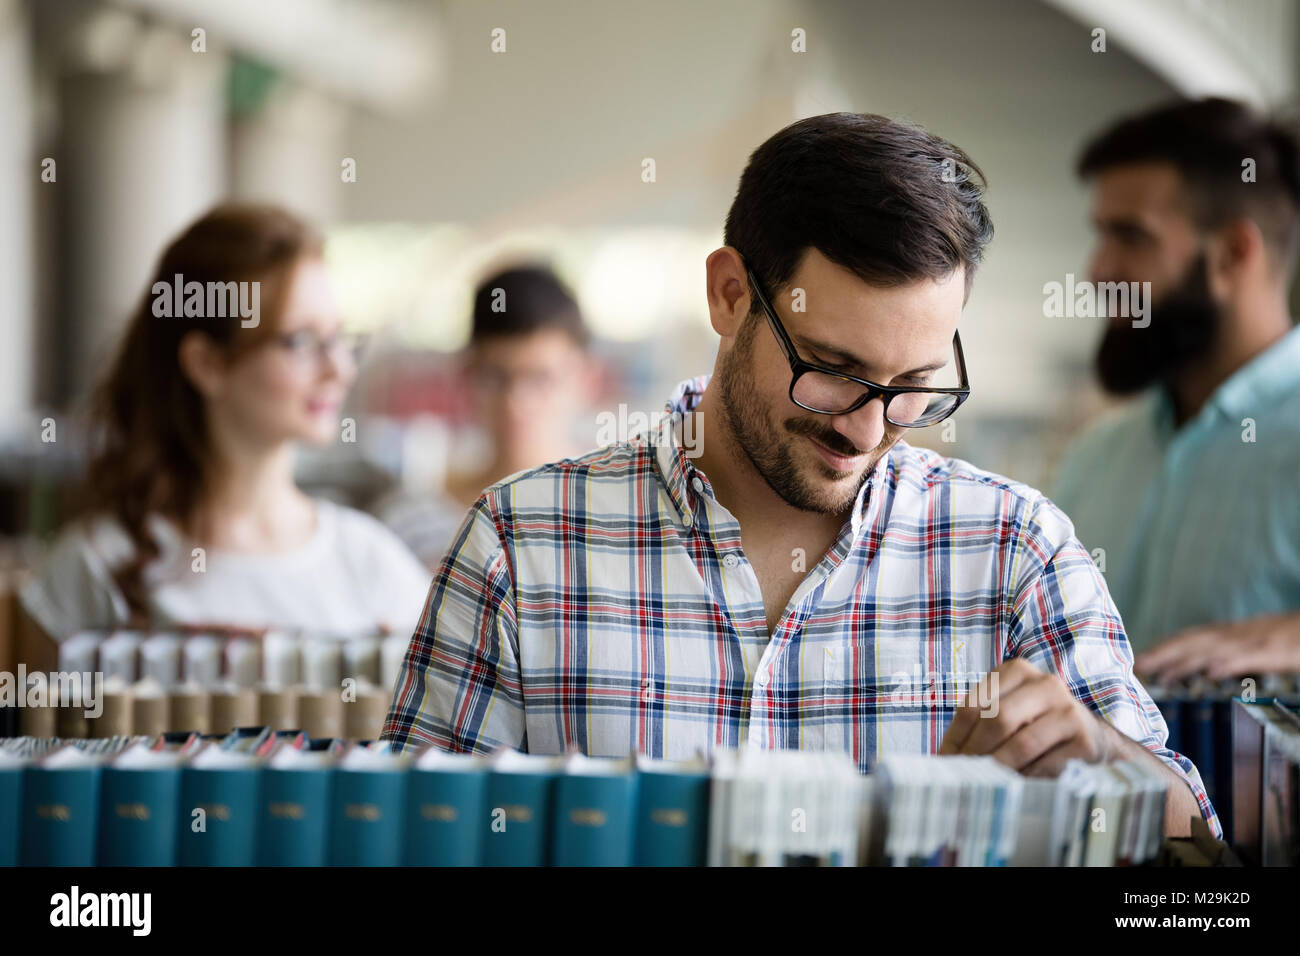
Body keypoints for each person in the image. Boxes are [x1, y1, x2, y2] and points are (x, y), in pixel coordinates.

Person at [382, 112, 1219, 837]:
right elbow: (401, 840)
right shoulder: (521, 548)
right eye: (831, 368)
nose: (865, 428)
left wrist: (1108, 757)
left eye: (913, 387)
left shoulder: (1013, 551)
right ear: (730, 295)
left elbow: (1203, 862)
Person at [17, 203, 431, 671]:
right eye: (300, 341)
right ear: (207, 363)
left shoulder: (374, 565)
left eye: (339, 337)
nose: (340, 368)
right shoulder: (96, 567)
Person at [1050, 98, 1300, 683]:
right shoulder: (1097, 458)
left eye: (1130, 237)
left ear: (1234, 253)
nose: (1097, 270)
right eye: (1101, 235)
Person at [376, 265, 597, 567]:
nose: (515, 402)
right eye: (496, 377)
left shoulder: (625, 515)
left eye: (541, 378)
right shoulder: (408, 525)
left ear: (583, 378)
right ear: (466, 376)